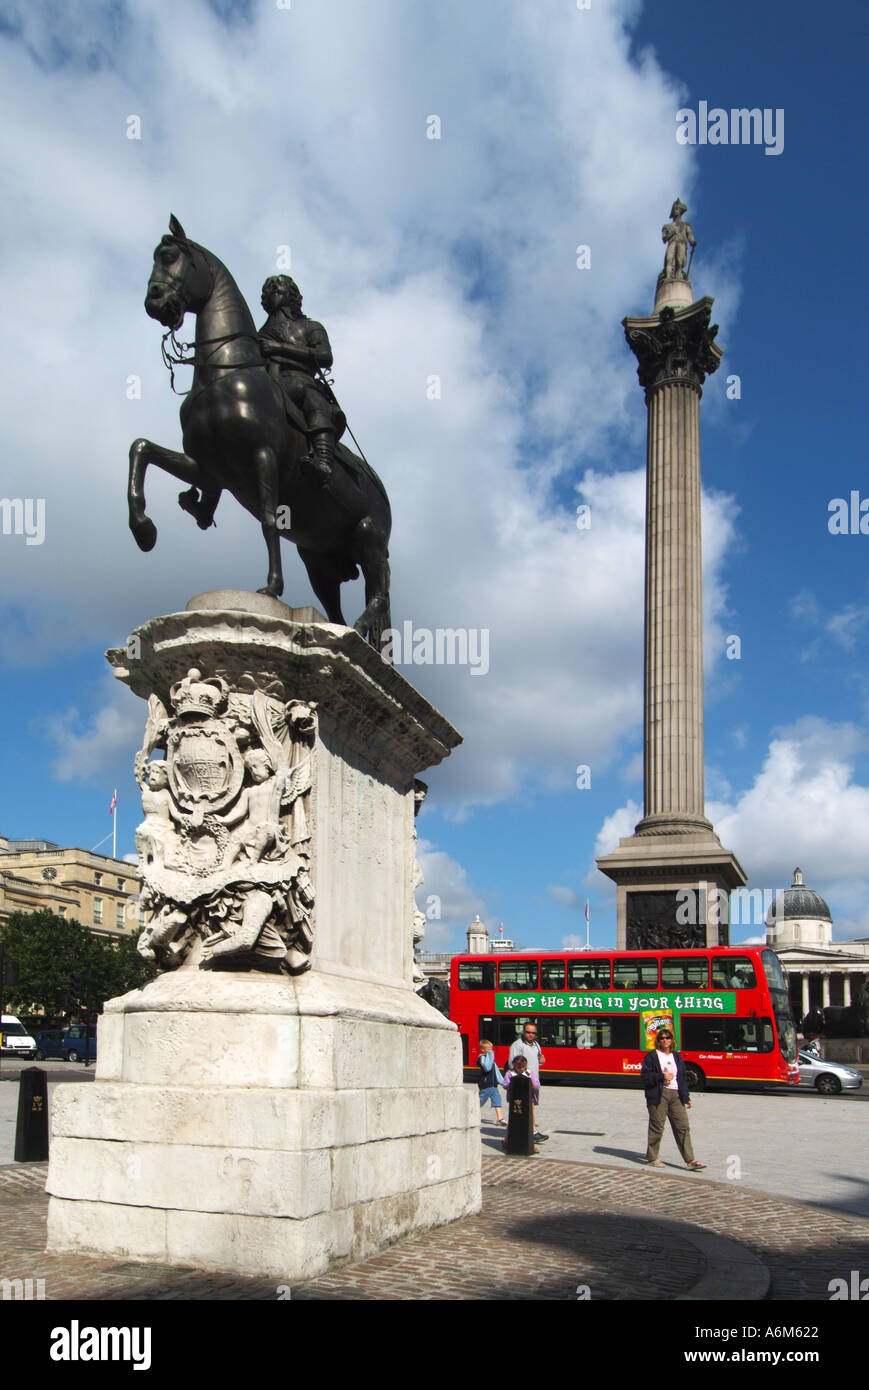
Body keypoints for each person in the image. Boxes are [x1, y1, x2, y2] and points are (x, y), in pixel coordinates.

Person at [258, 275, 344, 486]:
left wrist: (279, 348)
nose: (272, 296)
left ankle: (323, 463)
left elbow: (324, 356)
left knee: (312, 398)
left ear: (290, 296)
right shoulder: (259, 333)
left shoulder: (310, 327)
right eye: (268, 293)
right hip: (270, 384)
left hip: (300, 381)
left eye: (277, 291)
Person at [640, 1027, 706, 1170]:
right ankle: (652, 1157)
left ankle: (690, 1160)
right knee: (657, 1126)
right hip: (659, 1094)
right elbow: (645, 1076)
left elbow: (682, 1078)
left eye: (668, 1037)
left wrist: (686, 1097)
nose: (665, 1040)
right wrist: (661, 1077)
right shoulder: (652, 1056)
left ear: (672, 1040)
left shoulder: (676, 1056)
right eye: (662, 1038)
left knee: (683, 1126)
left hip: (676, 1094)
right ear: (658, 1041)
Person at [508, 1023, 548, 1141]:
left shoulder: (536, 1045)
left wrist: (541, 1061)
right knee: (526, 1107)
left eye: (533, 1033)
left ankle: (509, 1137)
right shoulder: (517, 1045)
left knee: (527, 1108)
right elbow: (512, 1064)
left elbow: (538, 1059)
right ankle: (533, 1132)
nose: (531, 1035)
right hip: (522, 1082)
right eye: (528, 1032)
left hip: (533, 1081)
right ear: (523, 1032)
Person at [501, 1056, 540, 1154]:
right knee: (513, 1120)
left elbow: (537, 1085)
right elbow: (505, 1084)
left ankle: (531, 1145)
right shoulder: (510, 1073)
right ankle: (507, 1140)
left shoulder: (529, 1073)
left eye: (523, 1067)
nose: (521, 1069)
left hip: (528, 1100)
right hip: (515, 1100)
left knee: (528, 1121)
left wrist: (530, 1080)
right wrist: (513, 1083)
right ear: (515, 1066)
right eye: (519, 1068)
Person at [476, 1040, 505, 1125]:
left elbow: (497, 1072)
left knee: (497, 1101)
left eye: (491, 1048)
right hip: (485, 1085)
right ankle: (471, 1114)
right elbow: (487, 1067)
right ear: (482, 1049)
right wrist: (490, 1055)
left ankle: (500, 1119)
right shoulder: (482, 1058)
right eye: (488, 1049)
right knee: (479, 1102)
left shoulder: (491, 1060)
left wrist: (503, 1083)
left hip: (493, 1085)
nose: (490, 1051)